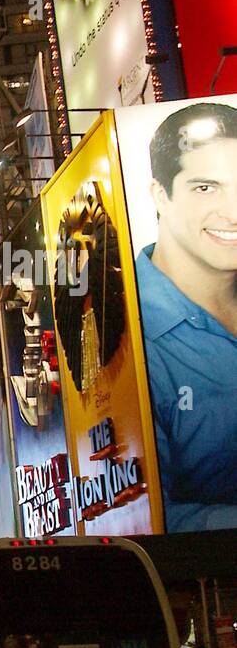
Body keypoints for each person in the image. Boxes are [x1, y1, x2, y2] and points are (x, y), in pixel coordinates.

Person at [139, 102, 237, 530]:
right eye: (205, 187)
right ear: (161, 195)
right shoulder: (125, 332)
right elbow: (148, 514)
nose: (233, 211)